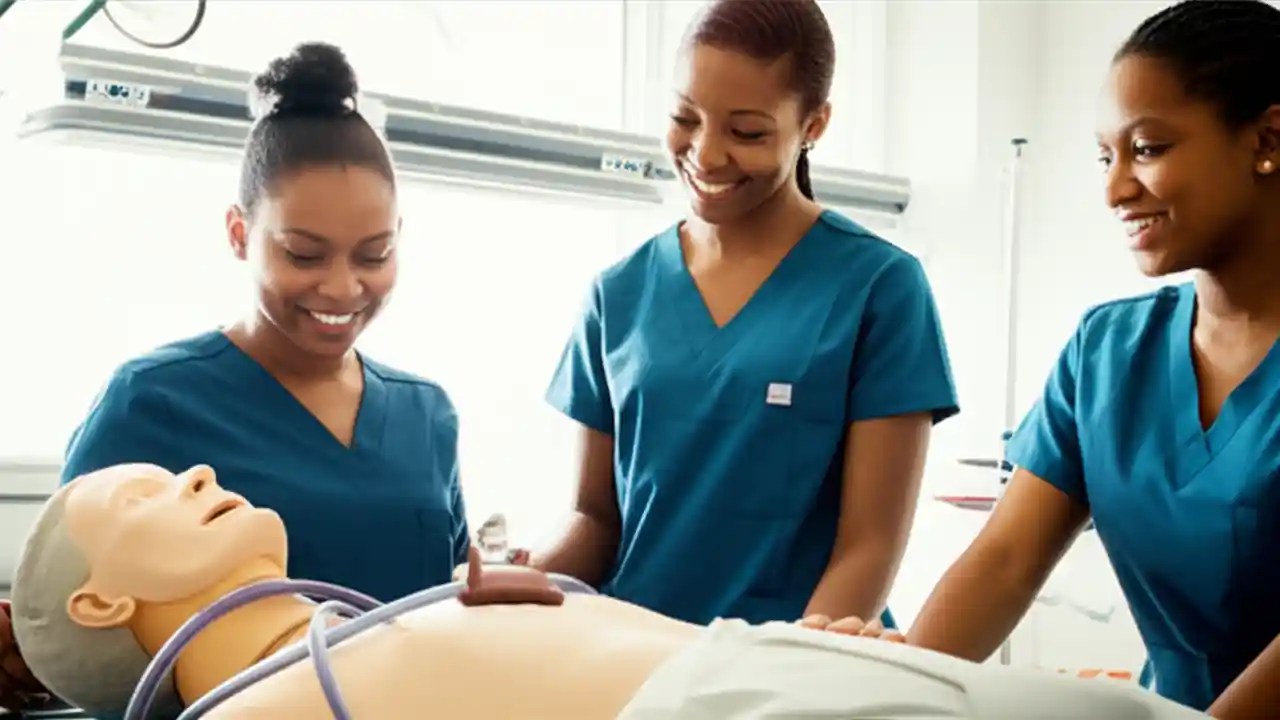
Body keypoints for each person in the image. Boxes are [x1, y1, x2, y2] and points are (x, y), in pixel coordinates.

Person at [807, 1, 1280, 718]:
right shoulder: (1108, 353)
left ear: (1268, 138)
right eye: (1105, 156)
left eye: (1148, 149)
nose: (1116, 188)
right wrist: (896, 686)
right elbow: (1005, 561)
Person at [0, 43, 471, 712]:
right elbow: (86, 639)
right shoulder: (151, 403)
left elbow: (444, 602)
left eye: (376, 253)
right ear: (238, 233)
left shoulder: (429, 415)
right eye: (303, 254)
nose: (343, 287)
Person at [9, 462, 1207, 719]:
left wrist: (844, 651)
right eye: (148, 492)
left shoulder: (356, 630)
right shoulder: (242, 715)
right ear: (109, 607)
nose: (201, 472)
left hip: (771, 668)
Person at [527, 0, 959, 631]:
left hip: (795, 671)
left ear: (814, 124)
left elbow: (869, 546)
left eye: (747, 131)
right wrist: (529, 578)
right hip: (637, 662)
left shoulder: (880, 288)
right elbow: (597, 519)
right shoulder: (617, 294)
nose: (705, 154)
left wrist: (788, 672)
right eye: (684, 118)